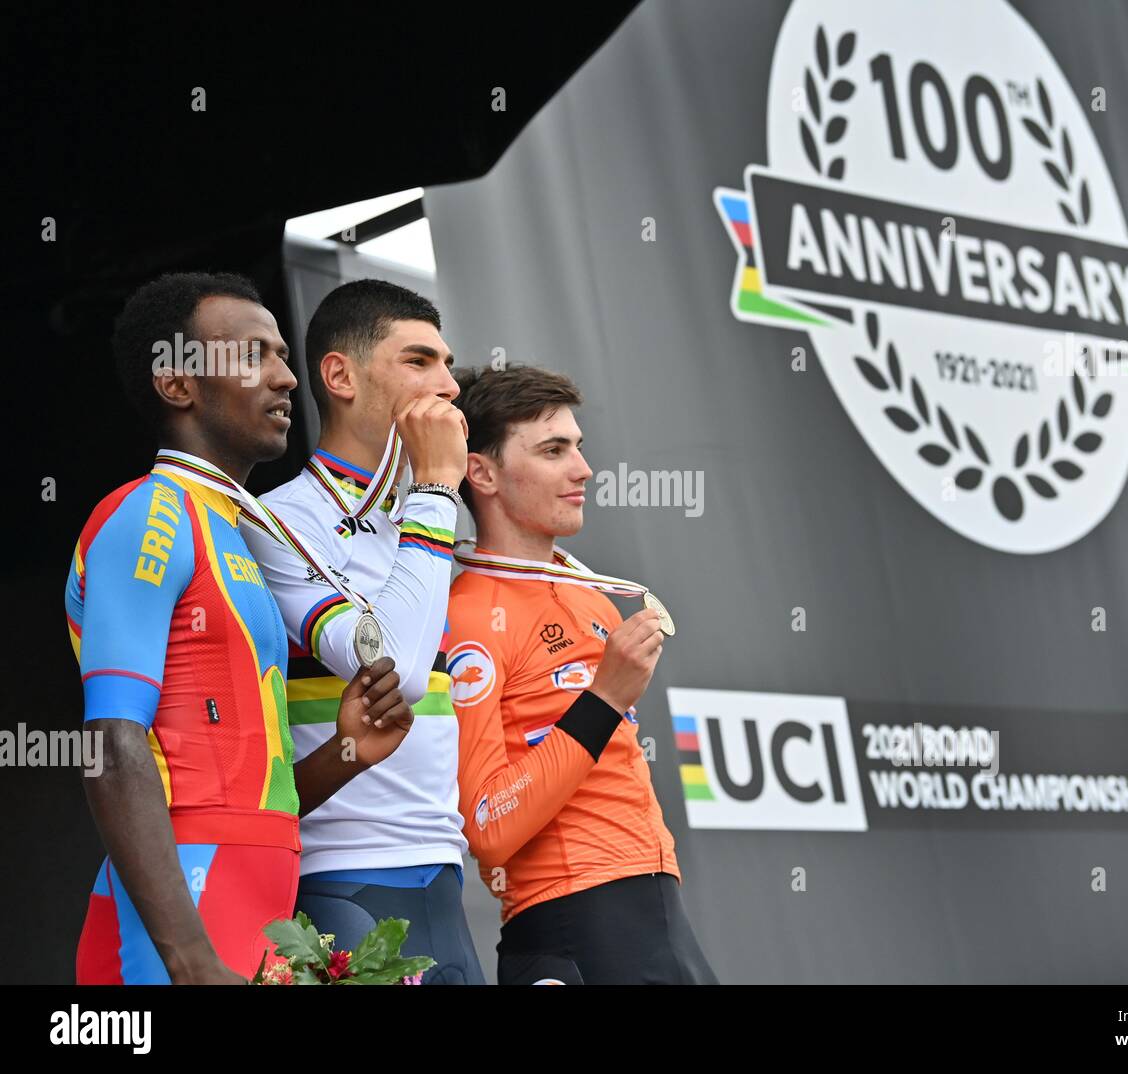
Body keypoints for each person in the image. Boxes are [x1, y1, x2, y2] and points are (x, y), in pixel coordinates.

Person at [67, 272, 414, 984]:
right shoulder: (151, 514)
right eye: (254, 355)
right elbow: (110, 742)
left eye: (283, 355)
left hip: (249, 899)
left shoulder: (235, 531)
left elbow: (251, 802)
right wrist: (190, 956)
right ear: (178, 384)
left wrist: (345, 753)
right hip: (188, 918)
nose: (286, 378)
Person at [240, 279, 483, 984]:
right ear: (340, 376)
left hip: (444, 874)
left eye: (447, 364)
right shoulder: (281, 518)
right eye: (418, 361)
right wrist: (437, 490)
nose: (448, 387)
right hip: (343, 876)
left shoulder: (424, 518)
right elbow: (394, 670)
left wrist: (431, 500)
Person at [446, 363, 717, 984]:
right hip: (571, 924)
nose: (584, 469)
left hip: (660, 912)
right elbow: (487, 825)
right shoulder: (469, 615)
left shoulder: (589, 596)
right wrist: (601, 700)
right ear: (482, 473)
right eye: (553, 450)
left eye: (577, 447)